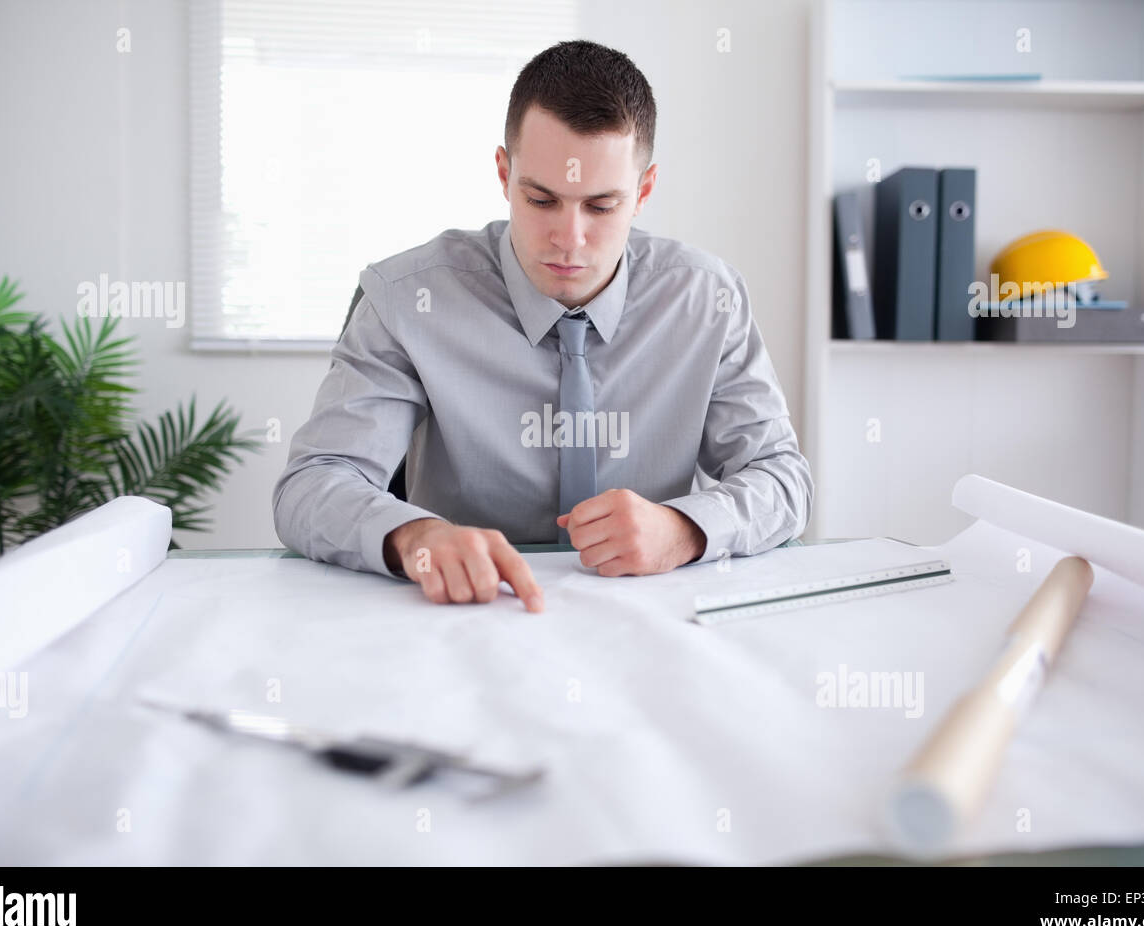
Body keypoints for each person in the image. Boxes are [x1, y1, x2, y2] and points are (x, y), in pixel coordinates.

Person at [272, 39, 813, 613]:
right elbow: (312, 484)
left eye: (601, 206)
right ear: (505, 174)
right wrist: (416, 539)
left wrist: (685, 529)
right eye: (541, 199)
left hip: (653, 618)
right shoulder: (408, 299)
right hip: (466, 619)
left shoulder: (708, 301)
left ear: (644, 191)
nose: (569, 239)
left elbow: (782, 478)